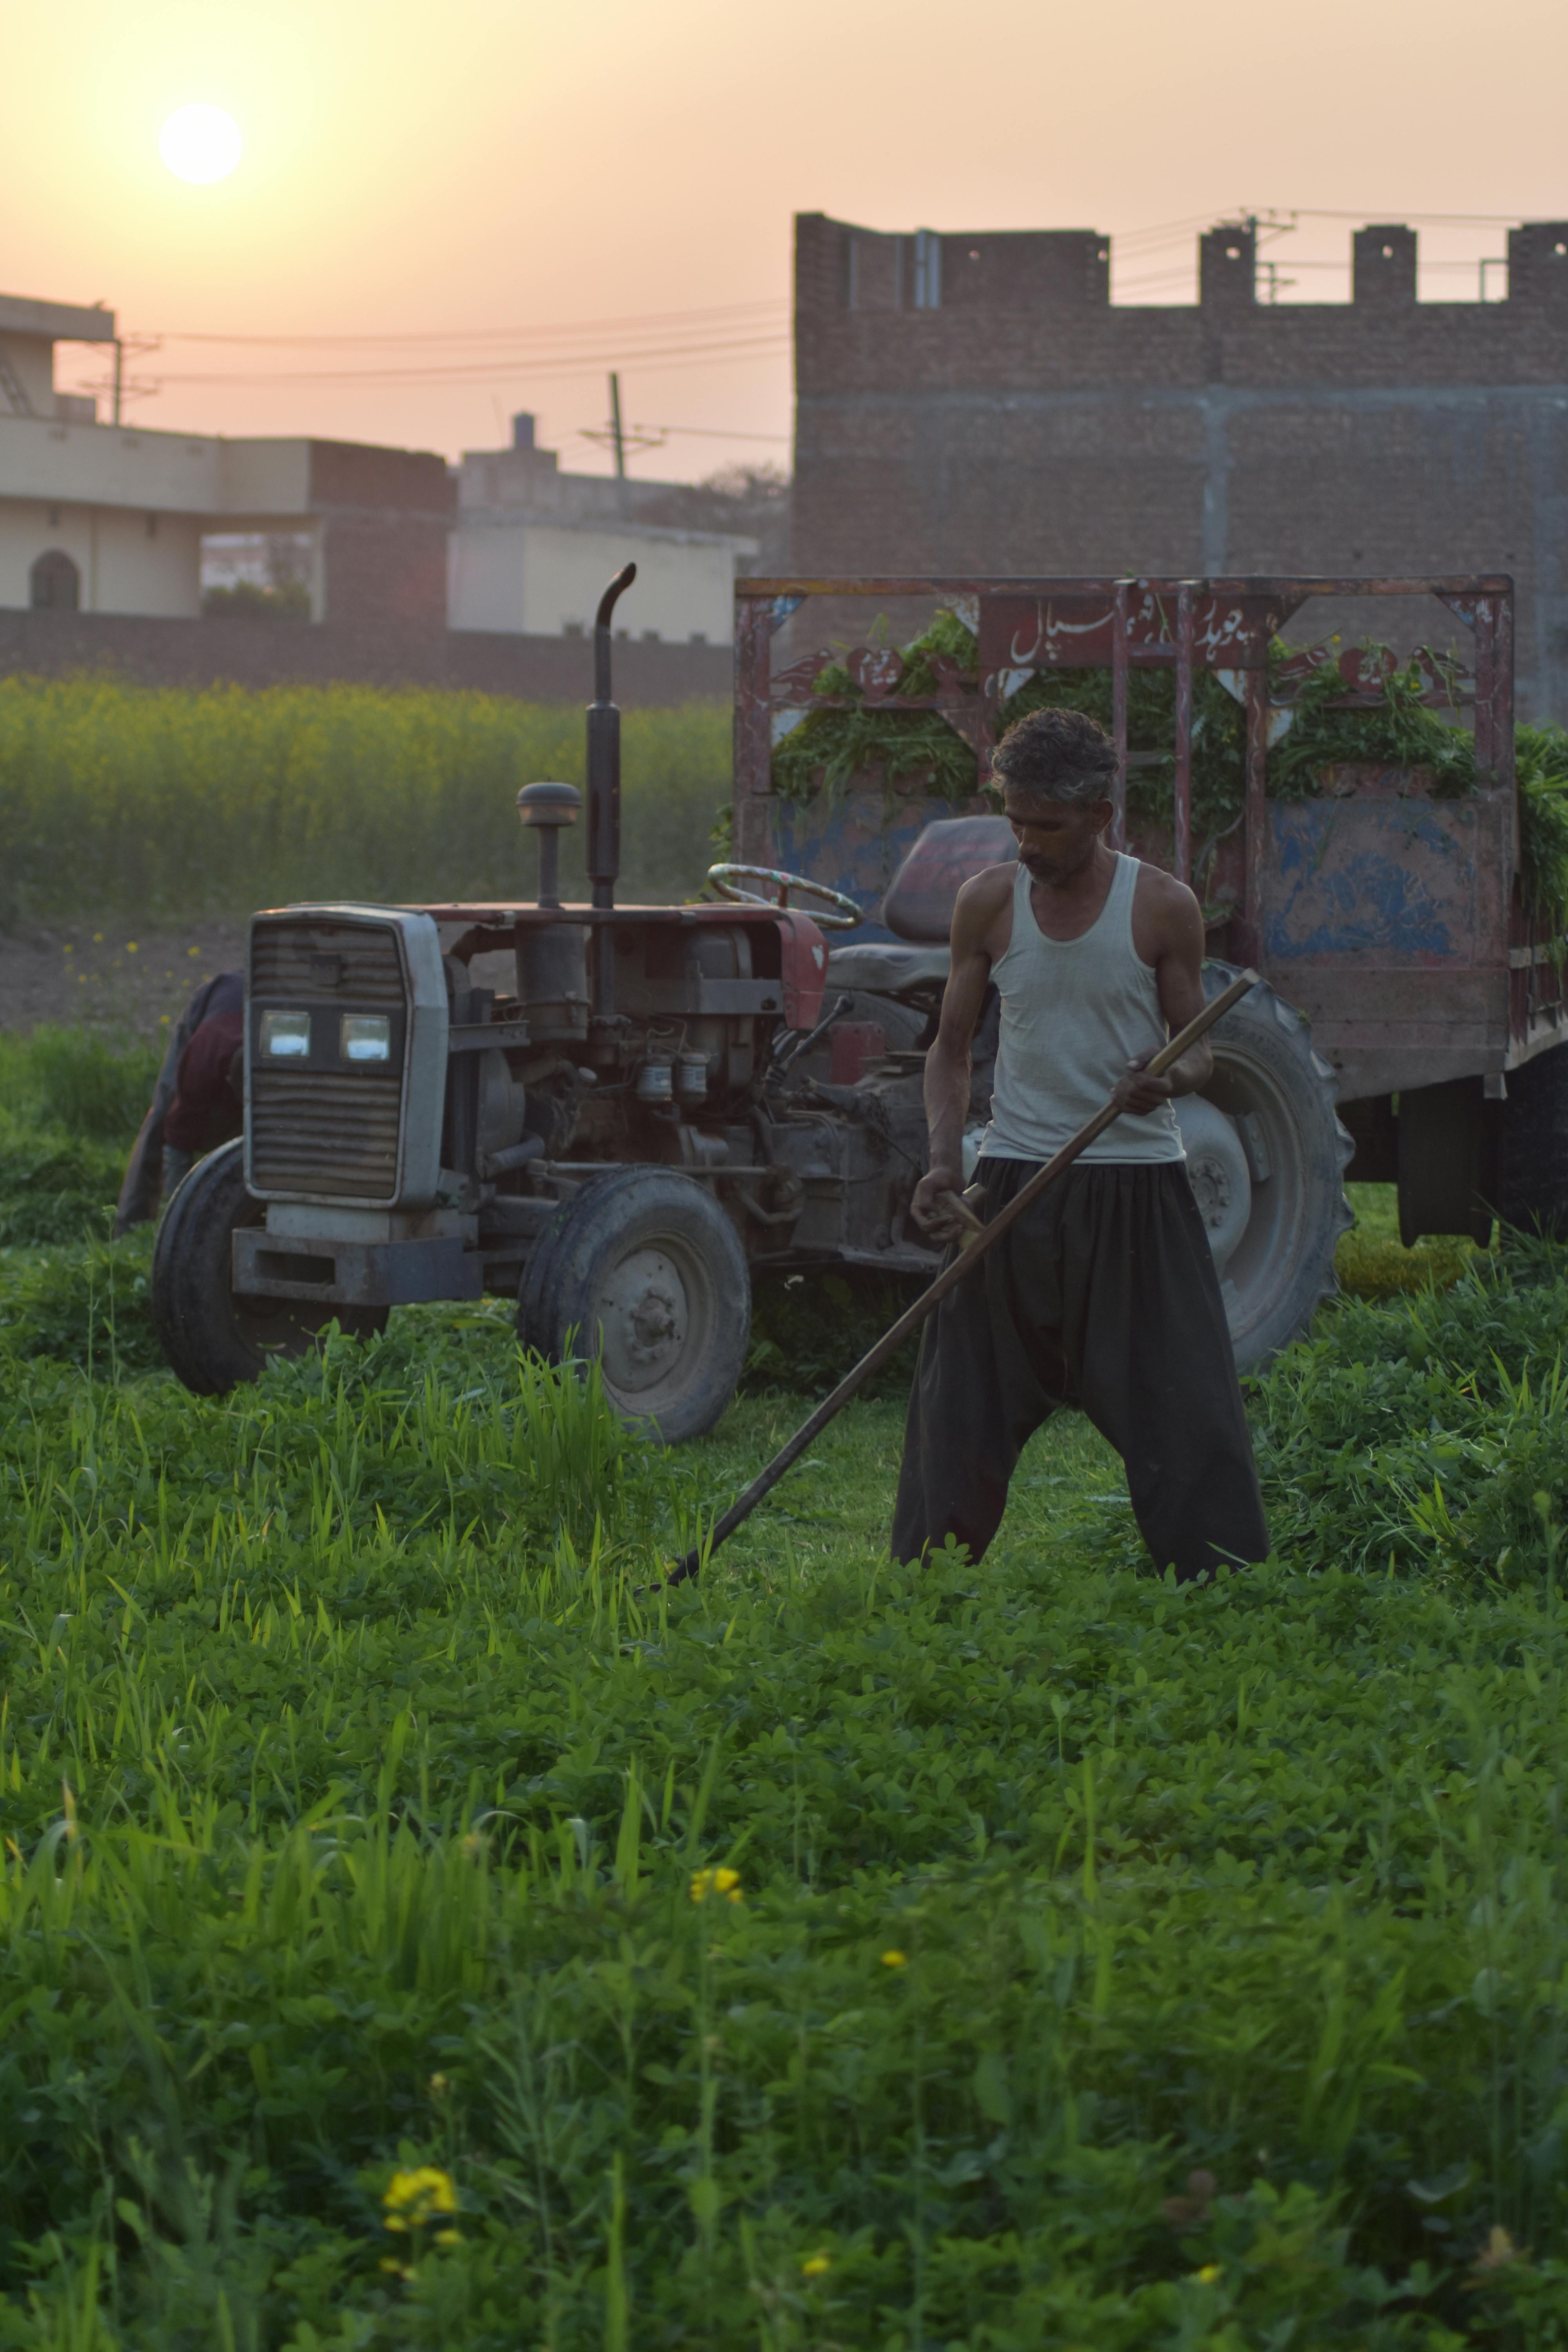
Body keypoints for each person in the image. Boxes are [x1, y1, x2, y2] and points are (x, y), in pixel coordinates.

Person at [893, 706, 1269, 1582]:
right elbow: (949, 1050)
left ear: (1100, 814)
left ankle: (1221, 1589)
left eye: (1046, 826)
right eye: (1014, 819)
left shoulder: (1161, 908)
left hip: (1134, 1186)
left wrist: (1162, 1078)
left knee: (1185, 1408)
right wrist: (944, 1161)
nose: (1025, 841)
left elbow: (1199, 1052)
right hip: (1008, 1186)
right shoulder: (986, 902)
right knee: (957, 1408)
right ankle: (924, 1590)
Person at [114, 971, 245, 1234]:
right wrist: (180, 1223)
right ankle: (129, 1226)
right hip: (215, 1007)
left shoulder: (285, 1053)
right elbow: (177, 1145)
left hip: (257, 1014)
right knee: (165, 1114)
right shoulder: (204, 1061)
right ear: (229, 1080)